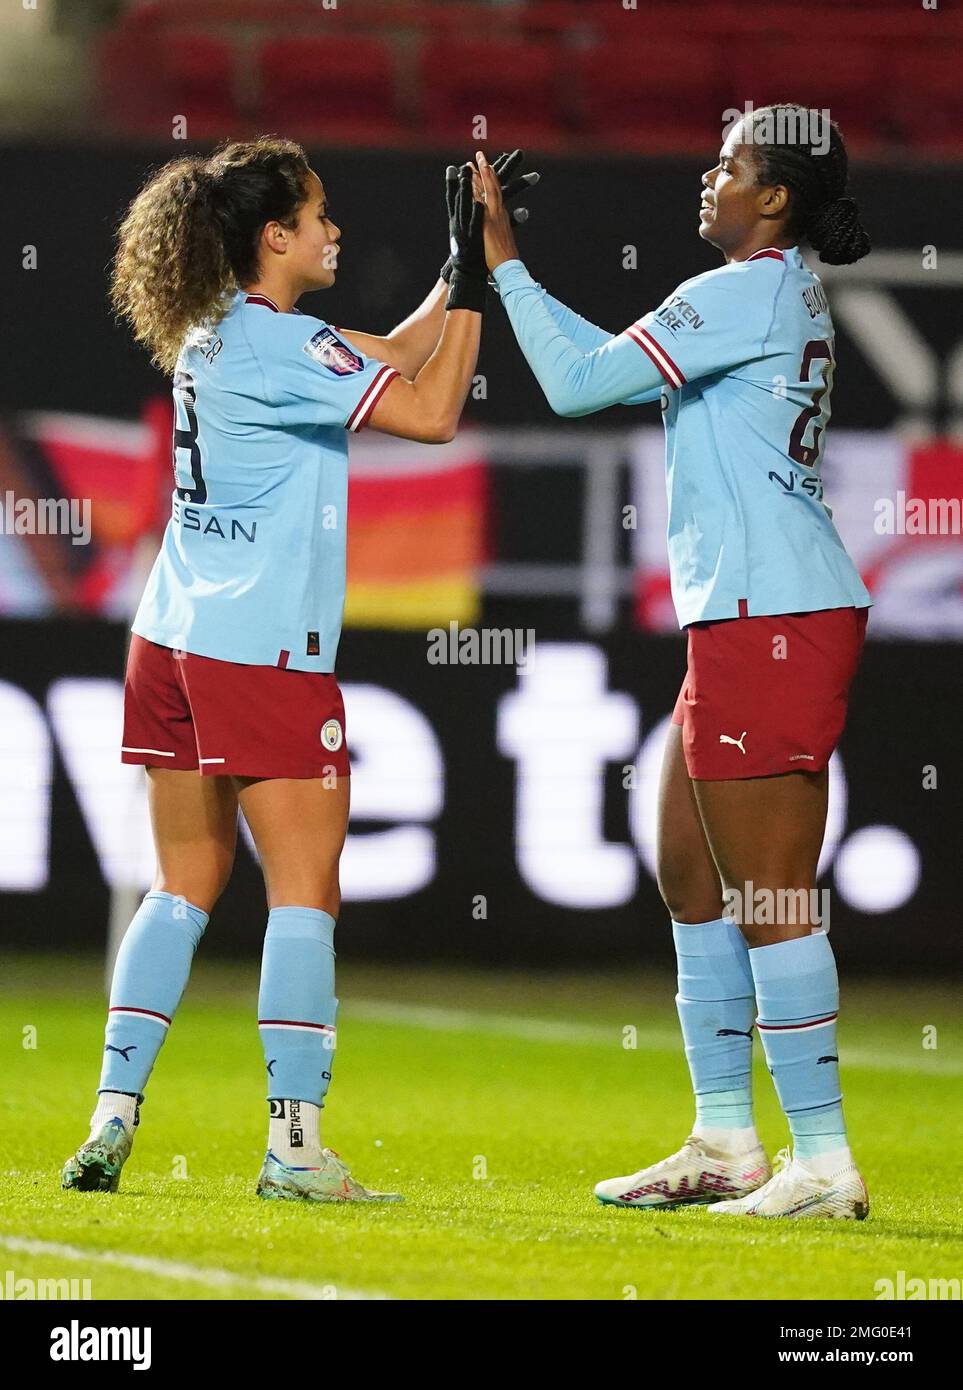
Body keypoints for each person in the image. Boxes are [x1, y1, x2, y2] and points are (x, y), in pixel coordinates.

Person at [62, 137, 535, 1204]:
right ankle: (295, 1145)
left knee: (182, 889)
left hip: (170, 641)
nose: (335, 231)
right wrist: (480, 274)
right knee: (306, 894)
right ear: (274, 237)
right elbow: (431, 409)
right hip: (262, 651)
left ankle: (111, 1116)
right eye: (319, 216)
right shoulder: (283, 351)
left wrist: (462, 266)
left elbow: (390, 353)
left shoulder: (217, 336)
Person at [475, 105, 873, 1219]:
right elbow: (608, 371)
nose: (709, 178)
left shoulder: (739, 290)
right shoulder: (768, 293)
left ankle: (824, 1160)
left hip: (773, 613)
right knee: (691, 872)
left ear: (777, 197)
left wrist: (503, 263)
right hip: (746, 611)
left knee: (769, 891)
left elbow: (573, 383)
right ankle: (725, 1139)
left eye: (730, 165)